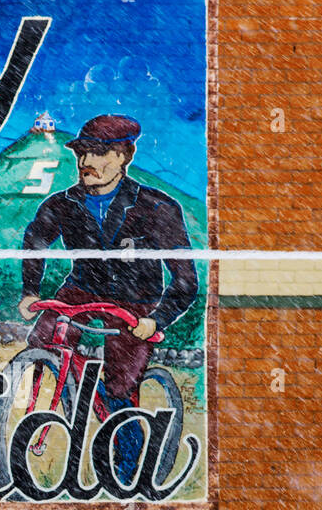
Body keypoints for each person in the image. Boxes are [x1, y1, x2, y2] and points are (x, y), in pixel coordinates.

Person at [19, 113, 198, 483]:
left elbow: (185, 279)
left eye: (99, 154)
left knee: (120, 386)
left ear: (123, 157)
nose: (86, 163)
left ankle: (126, 471)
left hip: (134, 301)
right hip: (80, 292)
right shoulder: (63, 203)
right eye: (82, 154)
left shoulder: (157, 208)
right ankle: (55, 399)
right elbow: (35, 239)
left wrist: (157, 320)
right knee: (41, 340)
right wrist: (31, 290)